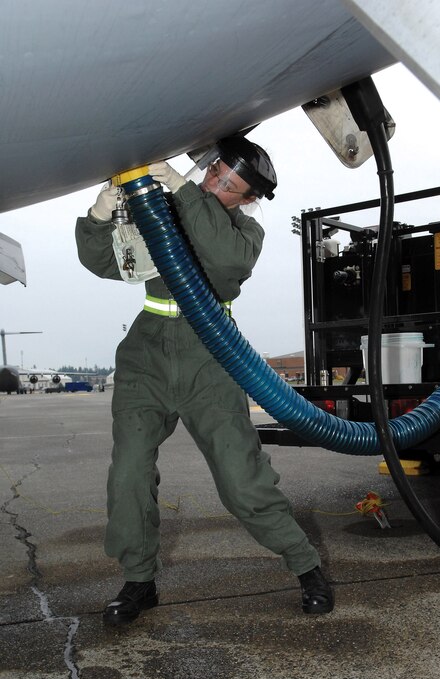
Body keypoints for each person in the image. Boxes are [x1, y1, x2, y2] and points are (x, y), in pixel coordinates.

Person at [75, 135, 334, 625]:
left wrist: (184, 192)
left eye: (229, 184)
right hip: (147, 352)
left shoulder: (243, 232)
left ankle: (307, 568)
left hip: (210, 355)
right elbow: (107, 263)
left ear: (248, 198)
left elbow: (226, 263)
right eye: (215, 172)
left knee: (240, 479)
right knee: (128, 471)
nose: (214, 182)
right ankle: (138, 581)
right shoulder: (168, 208)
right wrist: (98, 216)